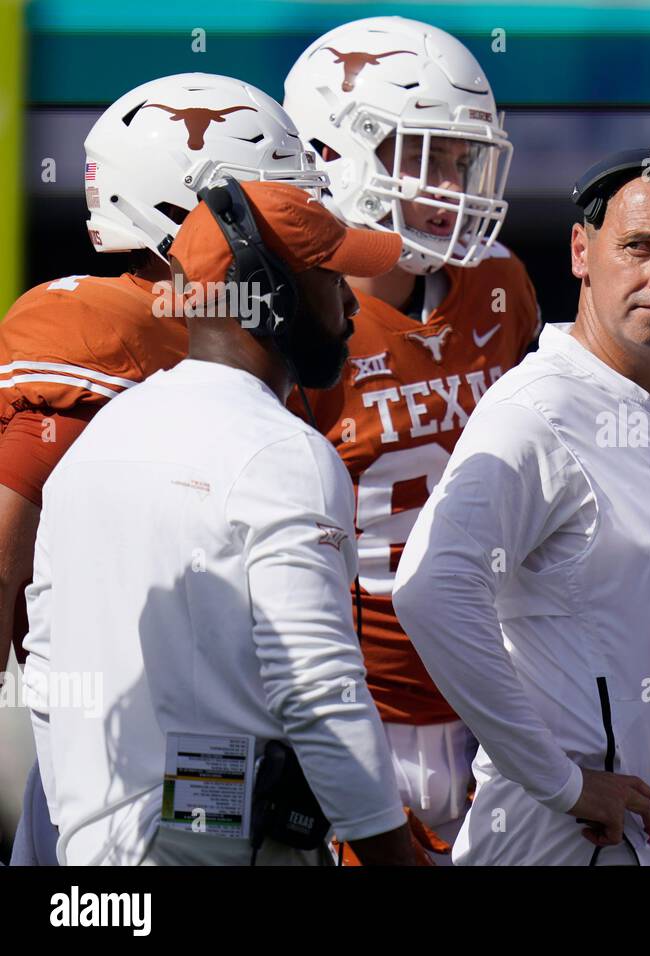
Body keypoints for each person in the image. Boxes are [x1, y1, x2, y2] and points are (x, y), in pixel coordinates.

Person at [22, 180, 424, 866]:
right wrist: (394, 858)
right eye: (332, 279)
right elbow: (318, 693)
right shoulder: (284, 453)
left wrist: (86, 832)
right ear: (273, 294)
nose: (354, 302)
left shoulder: (100, 439)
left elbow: (48, 672)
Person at [392, 148, 650, 865]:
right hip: (580, 845)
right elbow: (432, 589)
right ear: (581, 252)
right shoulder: (541, 409)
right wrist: (560, 783)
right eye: (638, 246)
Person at [0, 72, 326, 866]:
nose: (307, 223)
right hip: (117, 749)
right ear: (192, 208)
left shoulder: (261, 332)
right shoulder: (86, 324)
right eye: (277, 198)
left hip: (238, 738)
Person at [283, 15, 540, 862]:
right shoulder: (295, 326)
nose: (450, 187)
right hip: (358, 710)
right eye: (422, 157)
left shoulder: (498, 284)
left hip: (492, 698)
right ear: (331, 155)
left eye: (461, 160)